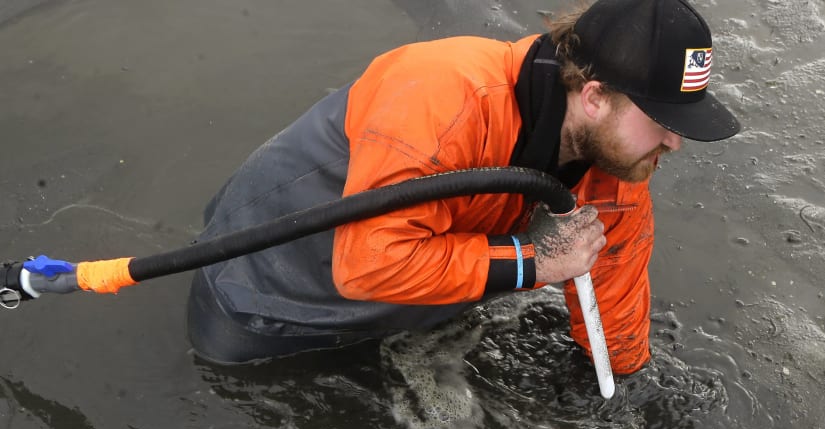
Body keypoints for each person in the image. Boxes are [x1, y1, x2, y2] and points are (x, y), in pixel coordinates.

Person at [185, 0, 740, 374]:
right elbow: (367, 263)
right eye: (661, 120)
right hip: (265, 298)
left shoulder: (619, 161)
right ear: (594, 97)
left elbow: (614, 298)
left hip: (409, 302)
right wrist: (537, 263)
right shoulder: (445, 96)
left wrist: (625, 387)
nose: (674, 142)